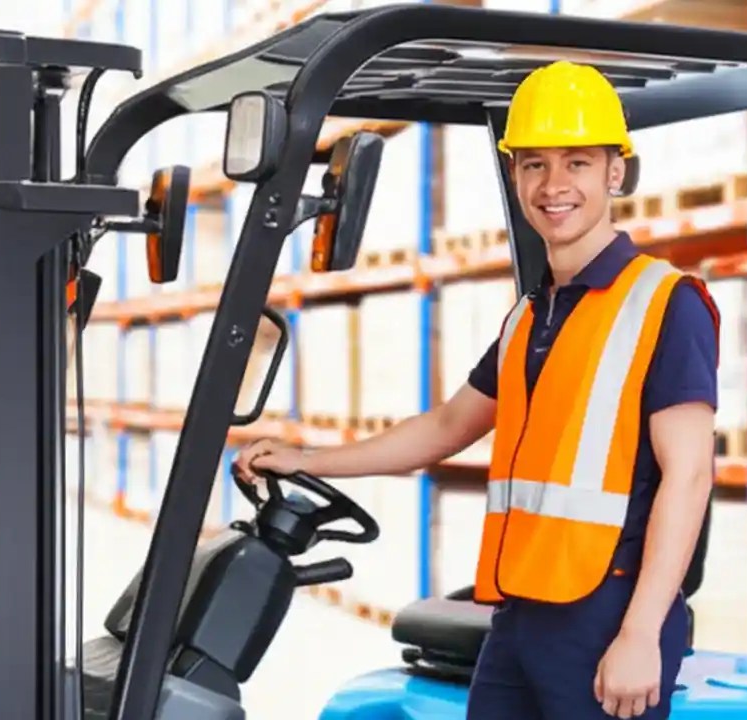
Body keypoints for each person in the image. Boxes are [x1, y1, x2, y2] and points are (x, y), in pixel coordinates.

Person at [235, 60, 719, 720]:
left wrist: (640, 633)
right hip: (520, 612)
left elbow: (688, 476)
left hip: (605, 613)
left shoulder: (663, 302)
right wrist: (307, 460)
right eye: (533, 164)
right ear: (515, 175)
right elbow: (446, 426)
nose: (553, 185)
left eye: (577, 162)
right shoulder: (531, 316)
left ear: (615, 171)